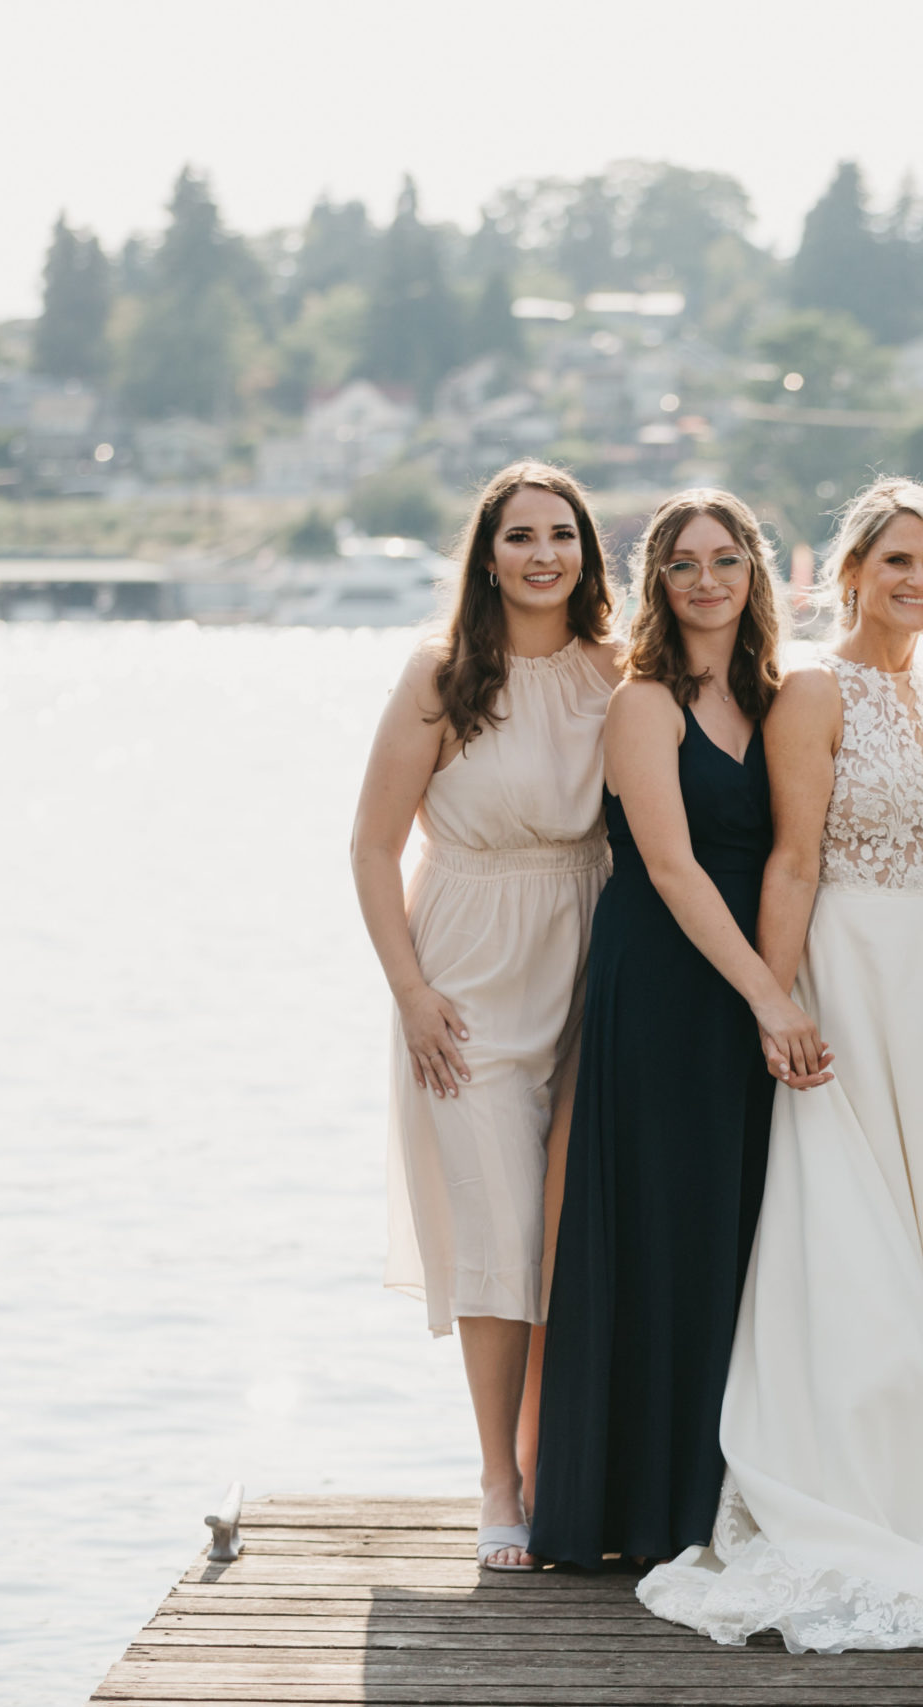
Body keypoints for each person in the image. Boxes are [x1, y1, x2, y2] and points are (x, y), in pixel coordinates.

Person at [639, 479, 923, 1652]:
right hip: (850, 966)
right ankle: (873, 1459)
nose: (921, 582)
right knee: (858, 1210)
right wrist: (777, 1002)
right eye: (899, 560)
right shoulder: (813, 689)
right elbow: (792, 860)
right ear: (851, 571)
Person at [532, 489, 830, 1571]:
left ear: (756, 572)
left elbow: (796, 855)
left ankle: (717, 1495)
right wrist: (767, 999)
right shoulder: (642, 702)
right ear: (656, 582)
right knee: (659, 1226)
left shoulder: (779, 697)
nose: (708, 581)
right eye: (684, 563)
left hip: (753, 978)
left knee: (735, 1227)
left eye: (726, 559)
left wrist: (773, 992)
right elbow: (667, 866)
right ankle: (631, 1509)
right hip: (664, 980)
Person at [349, 462, 619, 1572]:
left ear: (587, 554)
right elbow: (372, 846)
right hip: (465, 974)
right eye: (520, 536)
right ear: (488, 555)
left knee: (565, 1230)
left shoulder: (616, 668)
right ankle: (497, 1475)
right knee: (497, 1232)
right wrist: (412, 994)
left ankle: (558, 1461)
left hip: (590, 954)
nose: (543, 554)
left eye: (562, 535)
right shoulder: (443, 672)